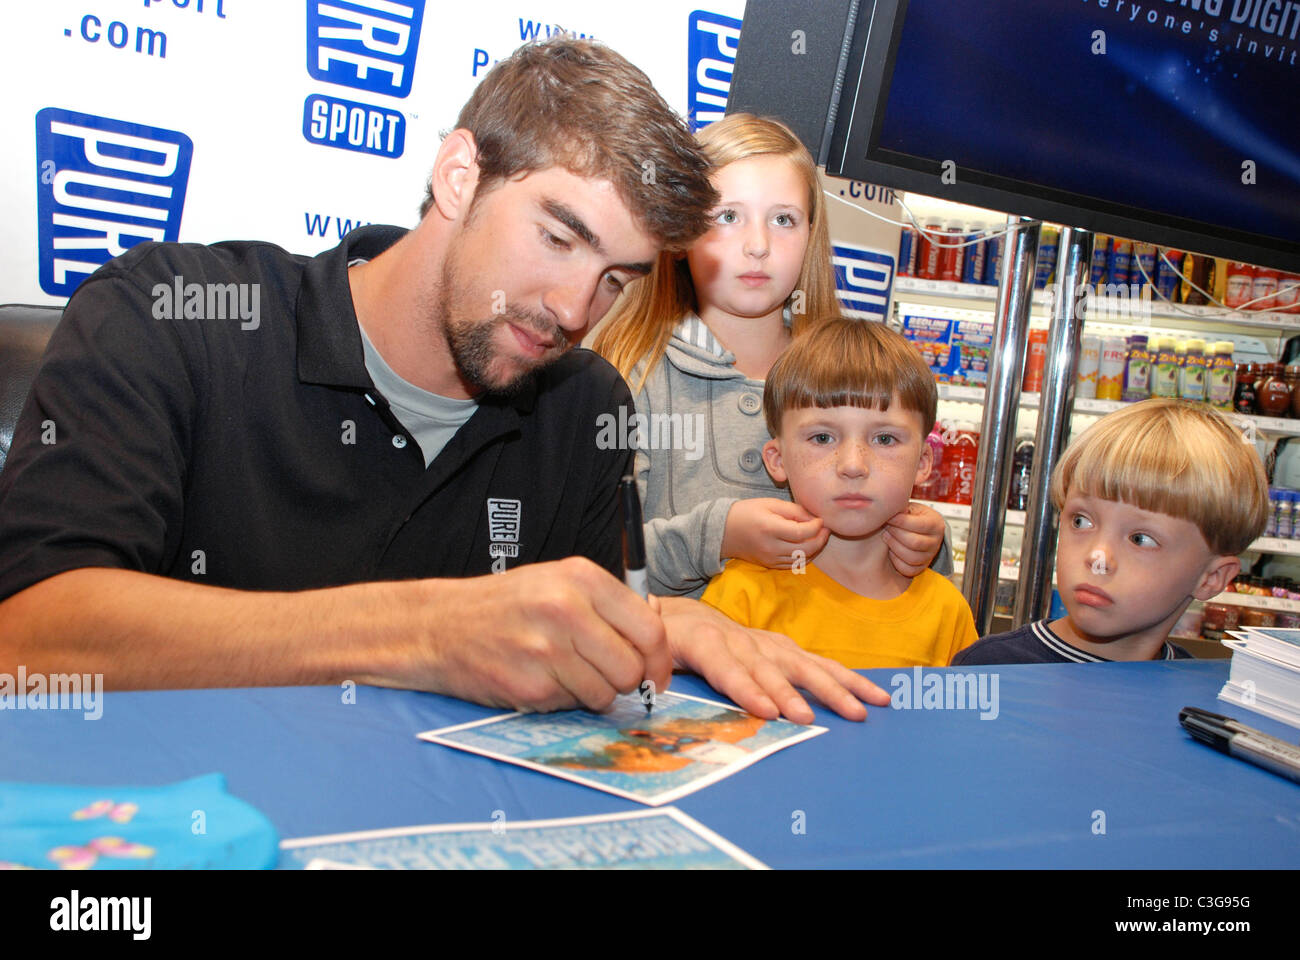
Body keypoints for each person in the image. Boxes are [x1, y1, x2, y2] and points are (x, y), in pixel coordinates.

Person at [0, 38, 888, 724]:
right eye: (558, 237)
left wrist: (647, 630)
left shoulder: (584, 408)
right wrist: (426, 633)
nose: (576, 309)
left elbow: (561, 672)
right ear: (458, 175)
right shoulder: (172, 316)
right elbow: (29, 640)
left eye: (617, 277)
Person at [591, 114, 948, 600]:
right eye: (727, 217)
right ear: (679, 236)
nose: (757, 245)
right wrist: (716, 537)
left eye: (783, 220)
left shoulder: (852, 375)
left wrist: (923, 544)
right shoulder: (628, 375)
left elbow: (904, 559)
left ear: (811, 235)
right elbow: (589, 565)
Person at [700, 317, 978, 668]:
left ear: (924, 461)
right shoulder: (741, 597)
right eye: (822, 438)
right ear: (777, 459)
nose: (853, 465)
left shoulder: (947, 612)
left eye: (884, 439)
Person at [954, 398, 1268, 665]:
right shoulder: (990, 669)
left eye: (1140, 539)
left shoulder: (1200, 699)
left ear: (1211, 578)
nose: (1097, 557)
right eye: (1081, 521)